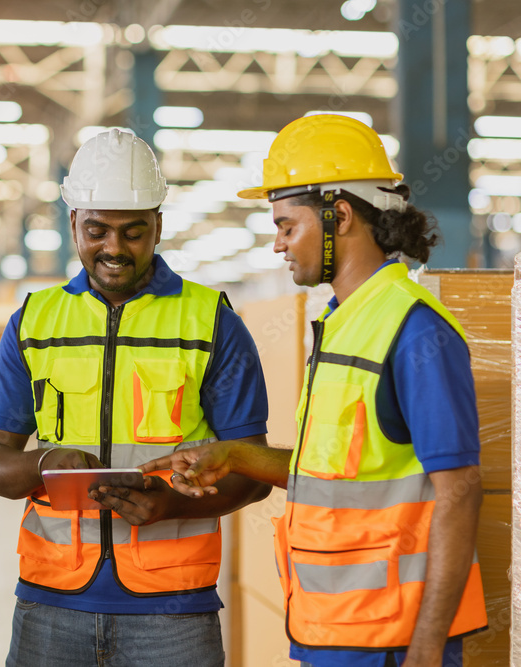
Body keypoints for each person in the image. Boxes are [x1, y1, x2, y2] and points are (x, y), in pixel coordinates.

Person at [143, 114, 488, 667]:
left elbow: (459, 490)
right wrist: (233, 455)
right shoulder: (343, 321)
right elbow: (335, 476)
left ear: (341, 215)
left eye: (287, 225)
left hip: (393, 644)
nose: (278, 244)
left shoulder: (414, 329)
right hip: (330, 633)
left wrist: (426, 648)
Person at [0, 128, 272, 667]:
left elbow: (254, 472)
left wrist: (171, 505)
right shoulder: (32, 323)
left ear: (158, 225)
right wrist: (45, 463)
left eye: (133, 232)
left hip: (174, 613)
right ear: (73, 224)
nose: (113, 248)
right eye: (97, 230)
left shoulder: (214, 324)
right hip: (50, 605)